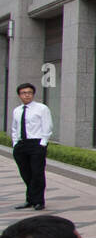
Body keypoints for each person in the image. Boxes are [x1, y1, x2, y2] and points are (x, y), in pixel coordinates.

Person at [10, 83, 53, 211]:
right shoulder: (17, 110)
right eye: (23, 93)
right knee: (25, 173)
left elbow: (48, 126)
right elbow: (14, 128)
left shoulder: (42, 108)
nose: (26, 95)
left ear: (33, 94)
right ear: (19, 95)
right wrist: (15, 143)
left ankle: (39, 201)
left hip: (36, 144)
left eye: (29, 92)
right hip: (21, 144)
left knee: (37, 173)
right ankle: (30, 199)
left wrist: (43, 143)